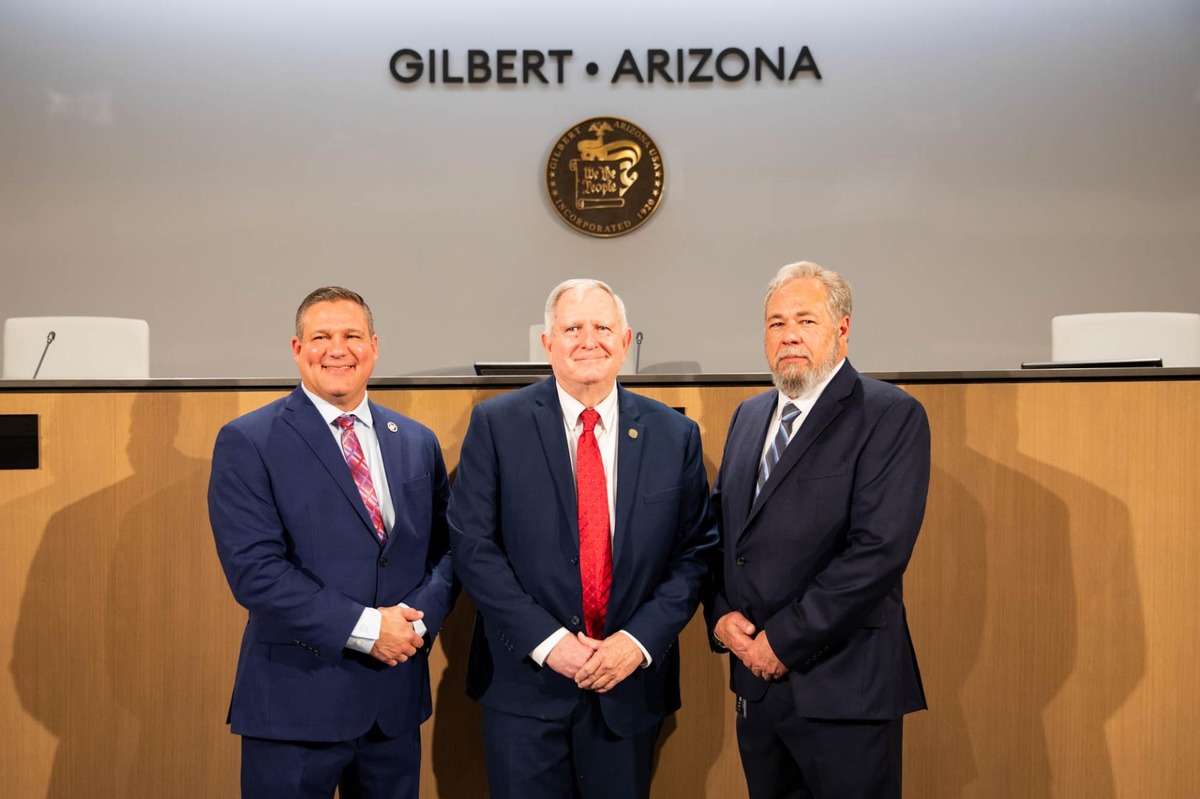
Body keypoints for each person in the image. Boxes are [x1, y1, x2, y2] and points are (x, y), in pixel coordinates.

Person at [448, 278, 717, 799]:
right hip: (523, 687)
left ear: (625, 339)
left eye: (602, 327)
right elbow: (473, 547)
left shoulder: (674, 434)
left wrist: (634, 644)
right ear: (548, 344)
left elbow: (695, 554)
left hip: (628, 688)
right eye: (572, 328)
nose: (587, 339)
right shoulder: (497, 424)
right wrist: (551, 645)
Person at [207, 286, 454, 799]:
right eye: (321, 337)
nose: (337, 349)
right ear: (298, 350)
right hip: (295, 706)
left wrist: (412, 626)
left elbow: (448, 551)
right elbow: (256, 571)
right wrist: (369, 629)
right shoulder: (249, 440)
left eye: (351, 336)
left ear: (374, 346)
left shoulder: (415, 440)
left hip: (395, 703)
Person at [707, 262, 930, 799]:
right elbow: (721, 534)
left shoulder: (890, 414)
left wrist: (781, 642)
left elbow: (876, 552)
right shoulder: (748, 416)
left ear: (843, 329)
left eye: (805, 321)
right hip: (756, 687)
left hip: (843, 688)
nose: (788, 335)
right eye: (775, 322)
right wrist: (719, 616)